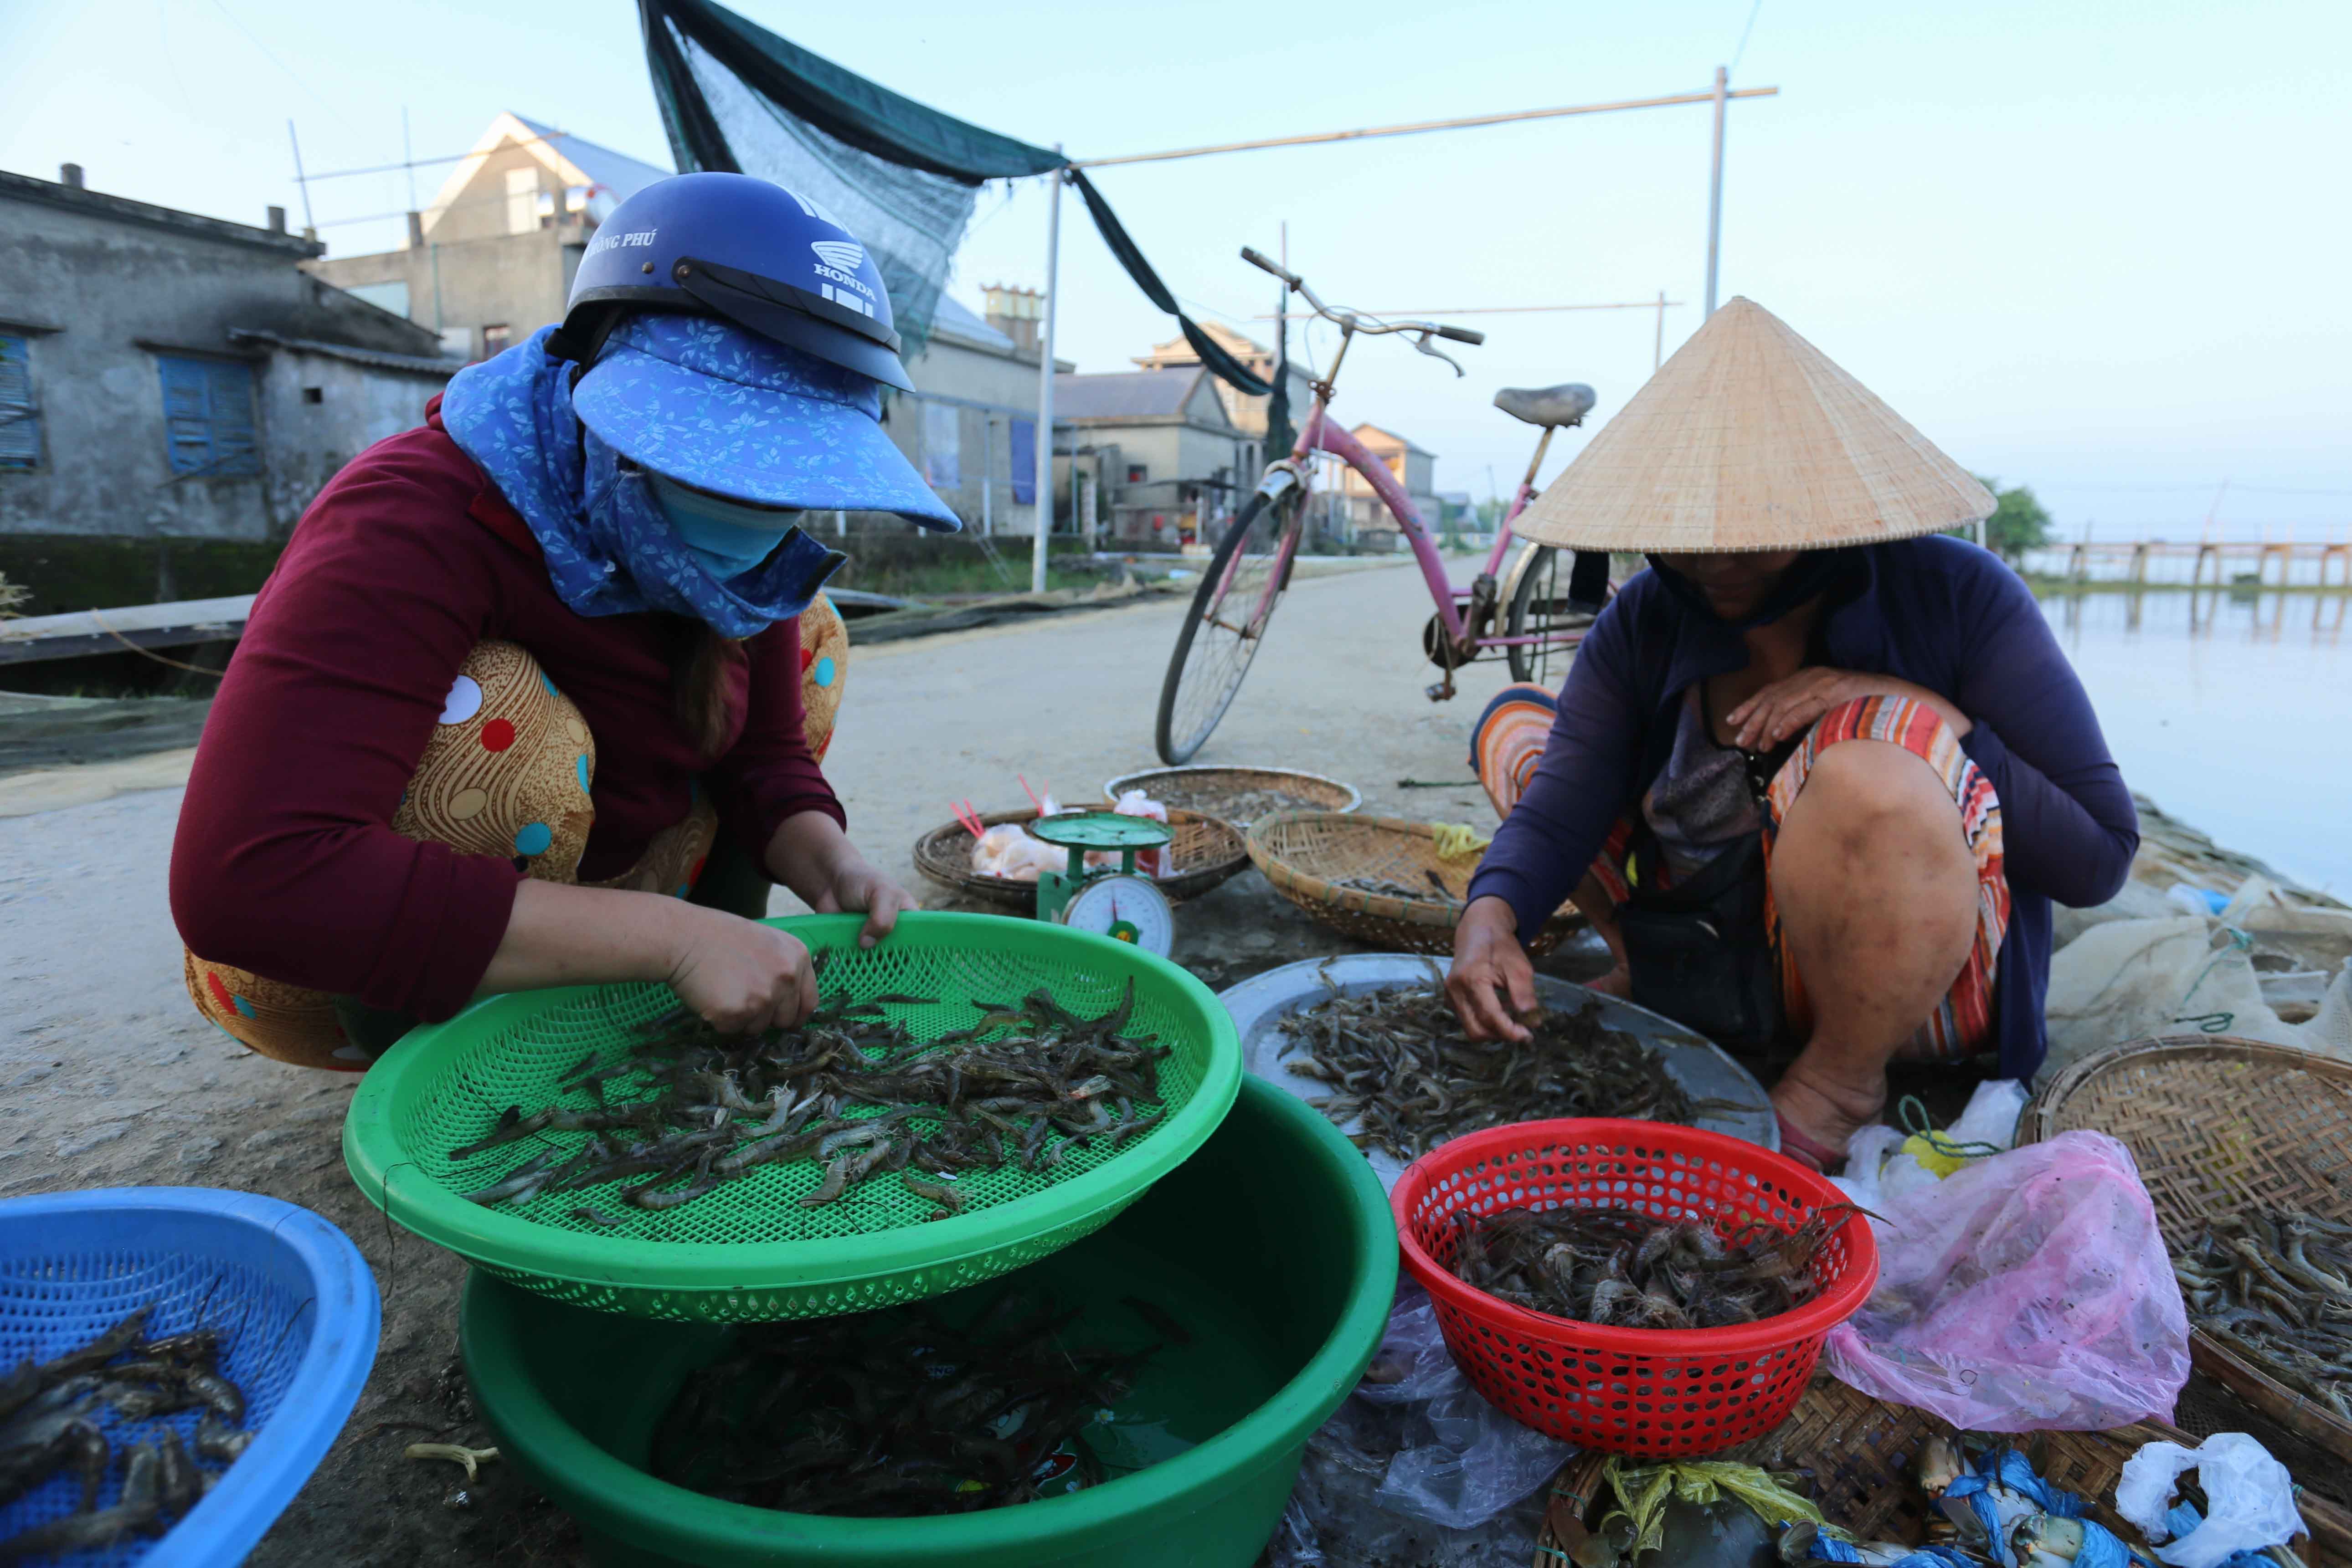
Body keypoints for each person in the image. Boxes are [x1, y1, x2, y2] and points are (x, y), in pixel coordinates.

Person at [170, 173, 957, 1069]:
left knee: (809, 620)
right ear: (598, 380)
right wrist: (673, 940)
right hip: (323, 959)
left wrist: (833, 864)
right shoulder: (414, 516)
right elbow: (250, 883)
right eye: (717, 459)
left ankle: (696, 1018)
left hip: (607, 887)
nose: (754, 502)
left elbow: (763, 758)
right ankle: (449, 1073)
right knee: (496, 715)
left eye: (789, 474)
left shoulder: (741, 557)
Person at [1446, 298, 2137, 1167]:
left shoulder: (1960, 597)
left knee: (1879, 745)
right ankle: (1653, 972)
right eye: (1692, 537)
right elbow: (1561, 805)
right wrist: (1490, 913)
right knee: (1518, 724)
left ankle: (1838, 1082)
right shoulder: (1646, 620)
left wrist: (1929, 712)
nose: (1717, 565)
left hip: (1893, 976)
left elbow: (2098, 860)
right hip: (1713, 937)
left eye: (1754, 535)